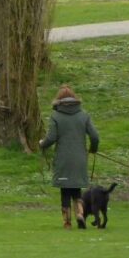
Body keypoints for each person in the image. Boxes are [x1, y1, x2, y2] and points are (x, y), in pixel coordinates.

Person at [40, 84, 99, 229]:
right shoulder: (84, 115)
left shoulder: (55, 116)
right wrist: (92, 149)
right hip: (80, 159)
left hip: (63, 159)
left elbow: (51, 138)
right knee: (76, 189)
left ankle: (67, 222)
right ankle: (79, 214)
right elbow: (95, 136)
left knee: (65, 191)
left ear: (59, 101)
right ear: (75, 99)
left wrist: (42, 144)